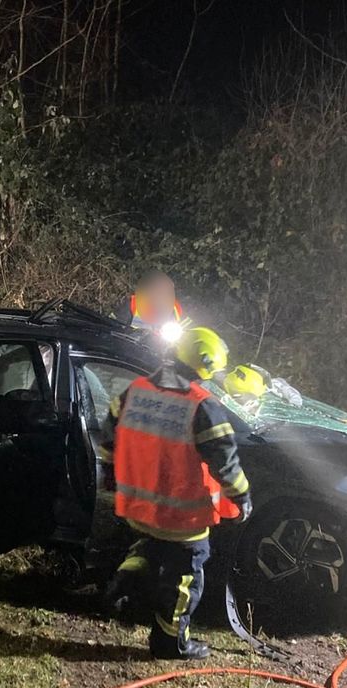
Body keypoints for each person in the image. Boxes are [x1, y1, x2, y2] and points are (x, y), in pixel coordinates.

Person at [99, 327, 252, 660]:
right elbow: (225, 465)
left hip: (139, 509)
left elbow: (108, 443)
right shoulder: (203, 408)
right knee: (185, 581)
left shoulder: (133, 392)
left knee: (149, 547)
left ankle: (130, 574)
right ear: (206, 367)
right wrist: (242, 497)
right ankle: (170, 642)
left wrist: (110, 479)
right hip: (184, 519)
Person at [118, 269, 186, 333]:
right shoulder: (133, 303)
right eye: (159, 289)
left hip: (162, 344)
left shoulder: (176, 308)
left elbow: (187, 330)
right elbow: (116, 325)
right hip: (130, 341)